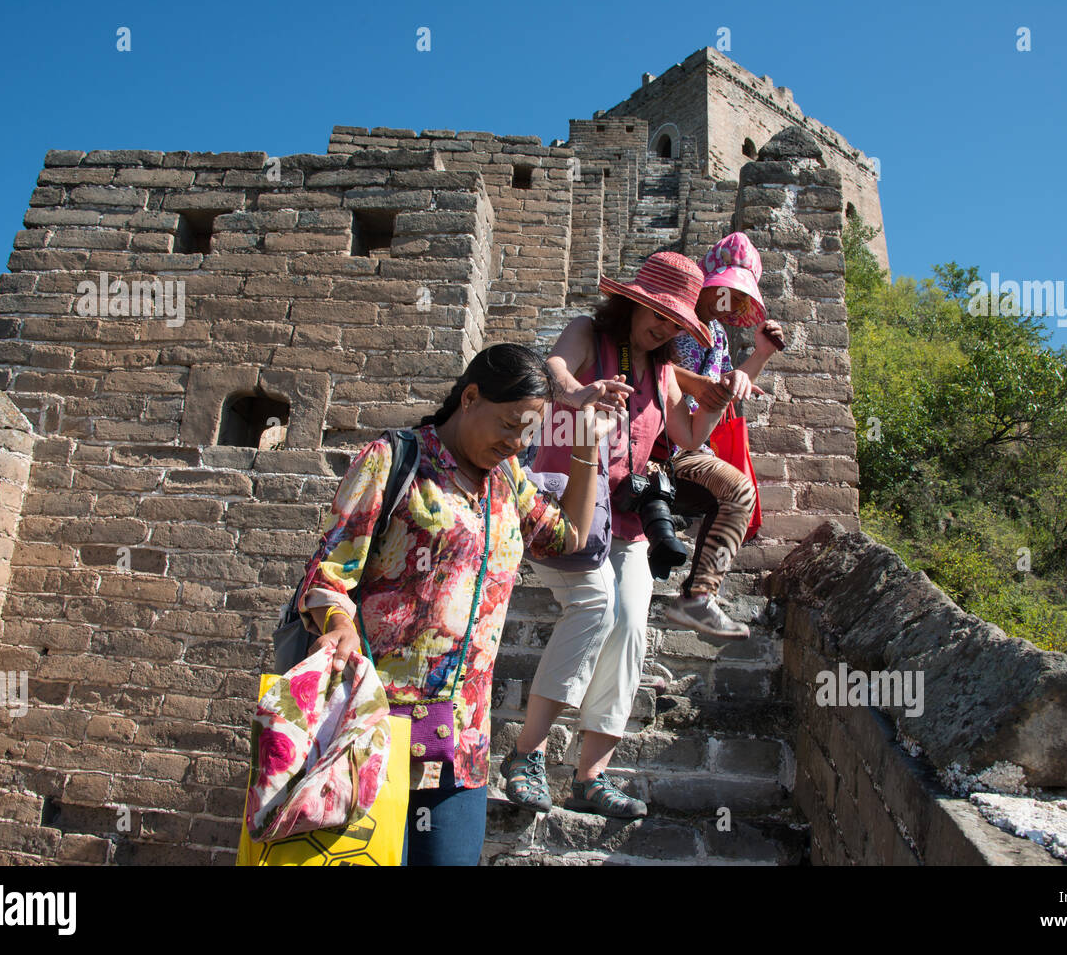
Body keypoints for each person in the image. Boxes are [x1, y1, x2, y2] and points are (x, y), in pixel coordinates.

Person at [295, 343, 613, 865]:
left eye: (529, 433)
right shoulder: (395, 460)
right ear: (469, 398)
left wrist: (586, 446)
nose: (516, 443)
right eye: (509, 425)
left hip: (460, 740)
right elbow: (330, 571)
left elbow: (569, 537)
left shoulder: (508, 480)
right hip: (373, 728)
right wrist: (339, 624)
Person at [501, 252, 730, 819]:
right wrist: (575, 394)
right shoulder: (589, 333)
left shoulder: (664, 371)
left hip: (626, 521)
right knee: (595, 604)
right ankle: (526, 754)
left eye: (676, 321)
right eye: (657, 313)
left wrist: (716, 405)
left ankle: (591, 778)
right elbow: (553, 368)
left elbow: (687, 435)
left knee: (630, 627)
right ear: (631, 303)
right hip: (565, 509)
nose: (664, 327)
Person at [661, 231, 785, 639]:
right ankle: (696, 597)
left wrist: (761, 353)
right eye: (727, 290)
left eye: (739, 295)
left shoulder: (716, 335)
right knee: (737, 491)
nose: (730, 300)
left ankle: (699, 594)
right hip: (656, 437)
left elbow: (724, 387)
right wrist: (702, 385)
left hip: (692, 443)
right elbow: (647, 364)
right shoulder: (670, 314)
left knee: (737, 494)